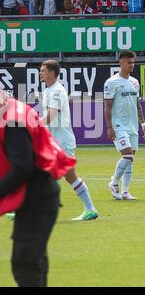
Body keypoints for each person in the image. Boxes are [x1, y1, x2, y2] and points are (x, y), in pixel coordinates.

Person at [0, 90, 73, 285]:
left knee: (25, 261)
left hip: (37, 197)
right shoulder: (13, 110)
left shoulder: (12, 121)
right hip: (37, 194)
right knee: (34, 259)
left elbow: (22, 168)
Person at [36, 60, 97, 220]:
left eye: (43, 70)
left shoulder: (56, 91)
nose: (40, 73)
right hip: (55, 142)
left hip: (61, 142)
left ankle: (90, 209)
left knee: (67, 176)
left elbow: (51, 116)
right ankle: (90, 209)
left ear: (51, 72)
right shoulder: (49, 90)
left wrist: (33, 125)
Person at [104, 50, 145, 201]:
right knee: (127, 154)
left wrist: (143, 123)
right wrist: (109, 127)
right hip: (118, 125)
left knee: (130, 158)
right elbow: (107, 106)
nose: (132, 65)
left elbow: (138, 105)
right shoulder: (111, 82)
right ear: (121, 62)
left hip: (132, 125)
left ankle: (125, 191)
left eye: (133, 62)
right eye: (129, 62)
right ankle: (114, 183)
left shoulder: (135, 82)